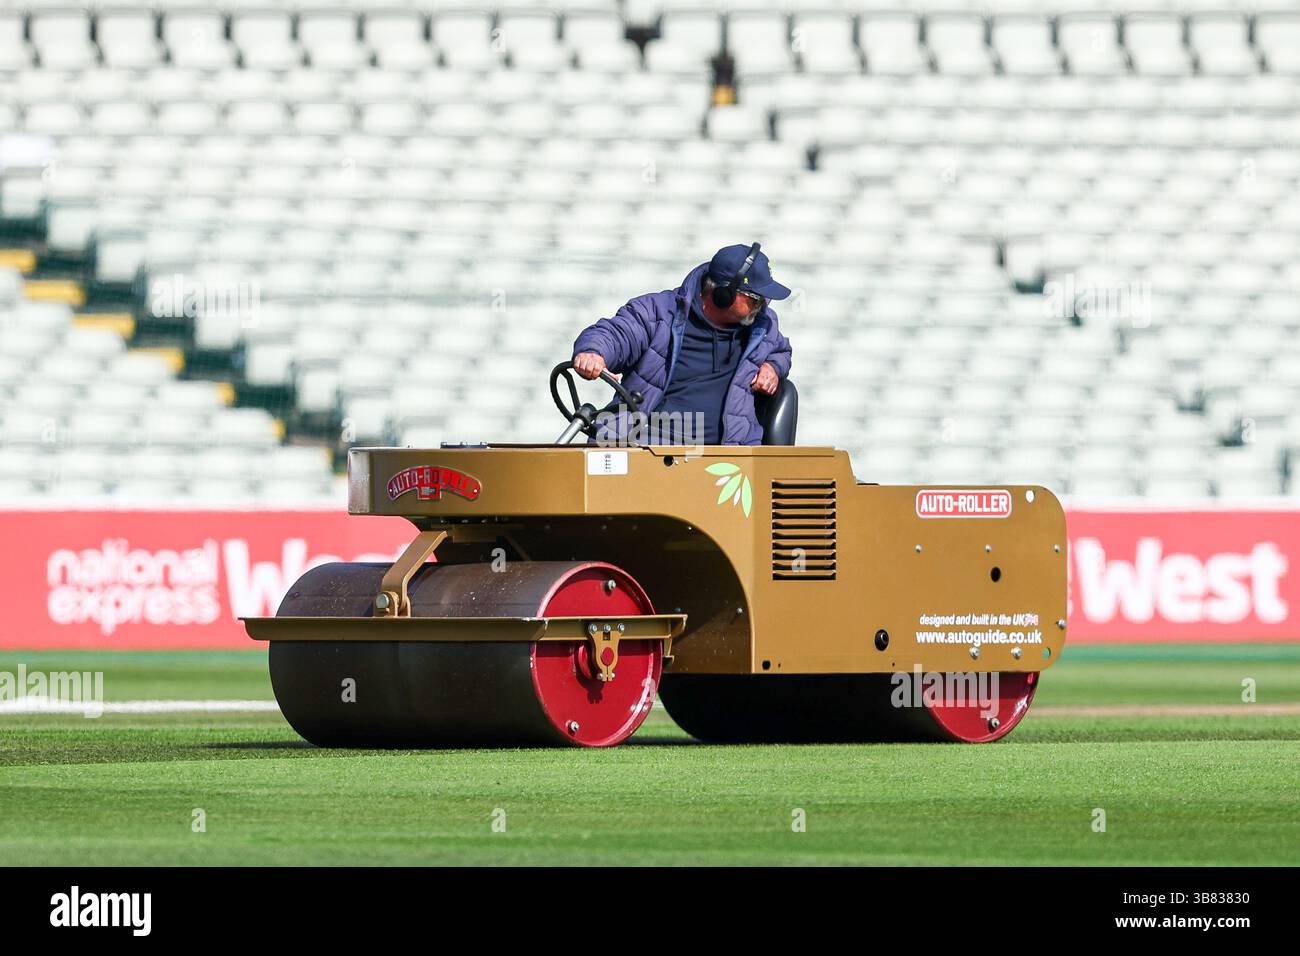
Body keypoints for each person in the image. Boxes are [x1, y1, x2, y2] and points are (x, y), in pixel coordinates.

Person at [571, 243, 793, 446]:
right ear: (723, 295)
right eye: (755, 297)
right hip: (647, 447)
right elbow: (615, 333)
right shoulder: (657, 311)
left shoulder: (763, 324)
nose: (762, 304)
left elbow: (781, 350)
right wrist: (594, 352)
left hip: (728, 459)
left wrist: (772, 367)